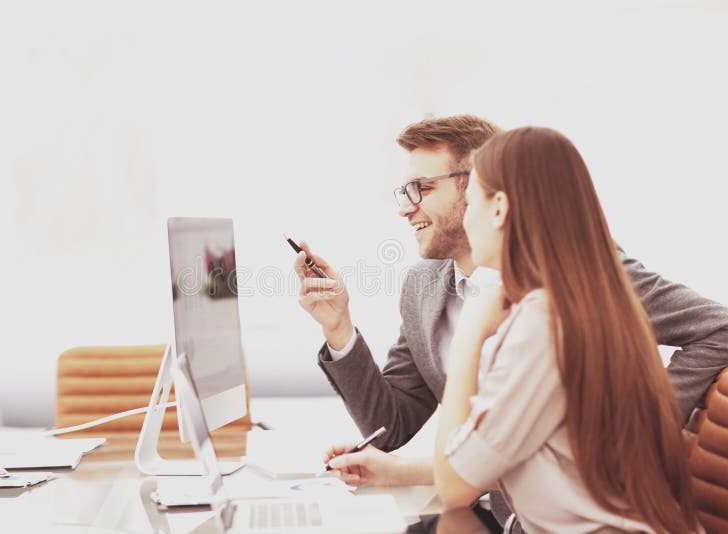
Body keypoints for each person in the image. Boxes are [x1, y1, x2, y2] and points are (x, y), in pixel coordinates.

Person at [293, 115, 728, 490]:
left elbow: (718, 328)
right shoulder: (422, 287)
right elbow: (390, 426)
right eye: (403, 192)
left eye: (420, 188)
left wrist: (641, 428)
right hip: (482, 509)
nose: (405, 209)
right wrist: (339, 329)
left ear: (478, 189)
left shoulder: (579, 272)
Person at [433, 126, 699, 532]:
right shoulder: (579, 300)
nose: (466, 220)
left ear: (499, 208)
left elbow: (454, 486)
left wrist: (470, 335)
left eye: (470, 202)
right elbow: (500, 457)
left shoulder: (542, 323)